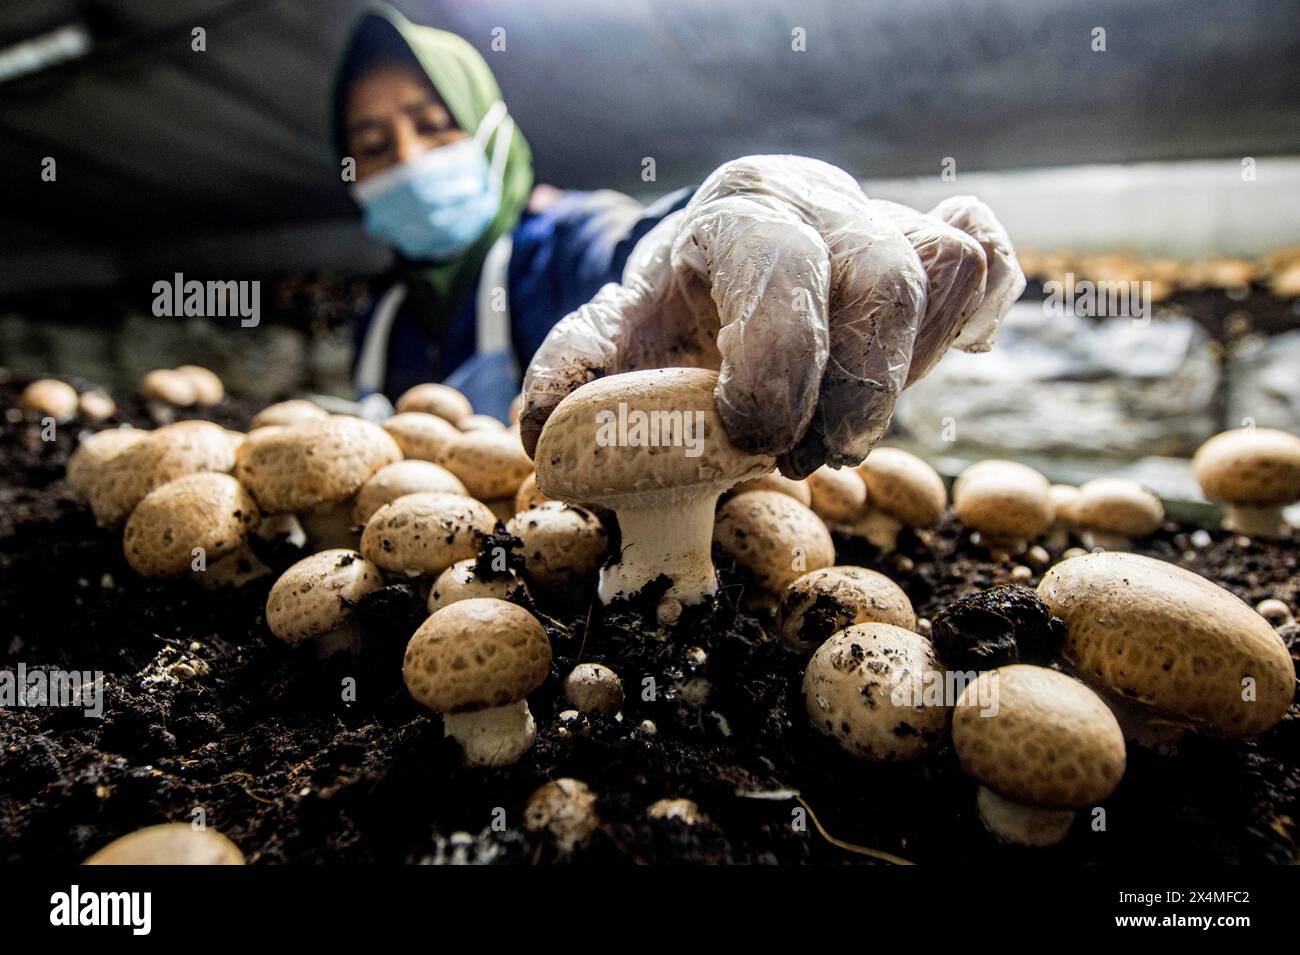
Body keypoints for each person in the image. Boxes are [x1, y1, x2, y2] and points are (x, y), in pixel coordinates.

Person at [334, 3, 1024, 478]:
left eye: (433, 124)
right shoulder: (379, 319)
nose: (410, 157)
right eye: (372, 144)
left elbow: (627, 258)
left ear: (489, 132)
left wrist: (685, 241)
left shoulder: (556, 247)